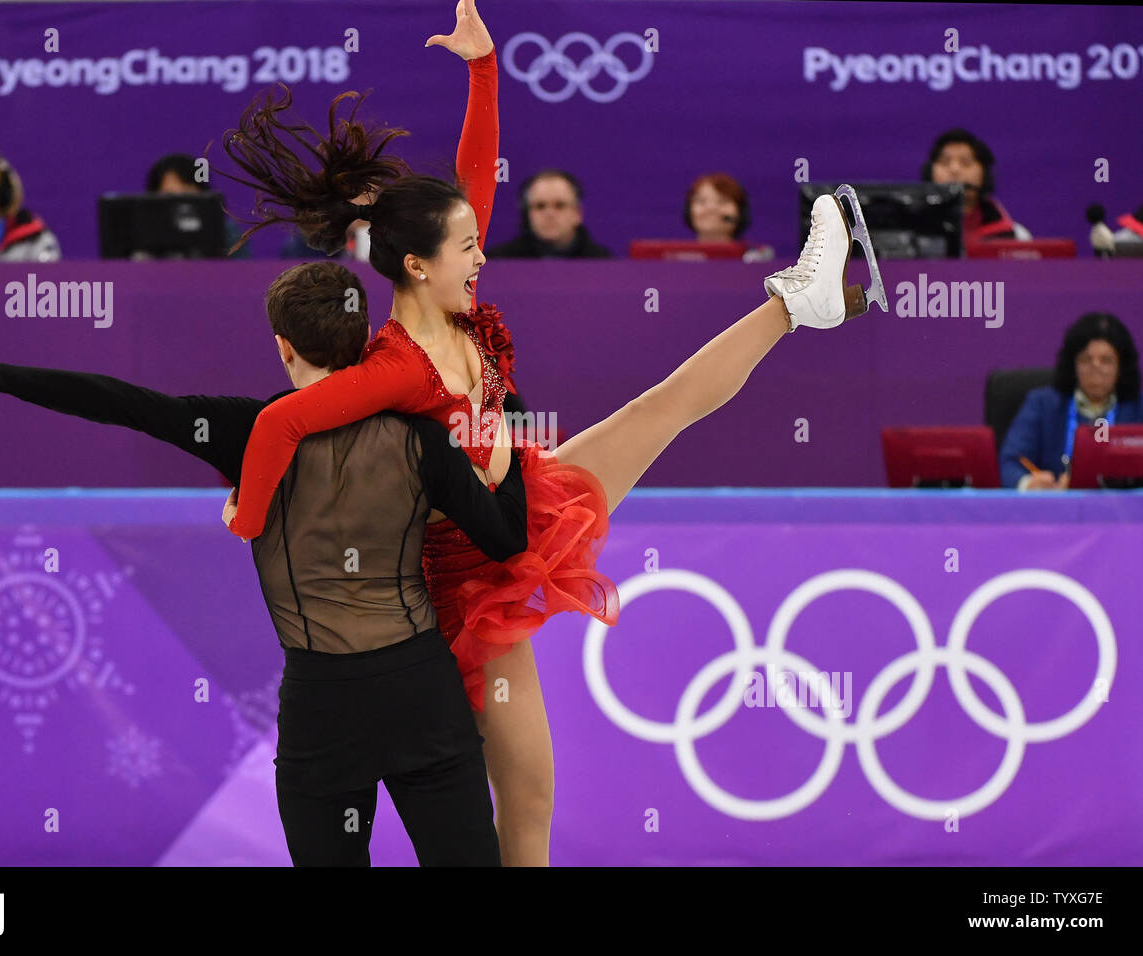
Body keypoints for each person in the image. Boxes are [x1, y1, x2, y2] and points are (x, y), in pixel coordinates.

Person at [219, 0, 884, 866]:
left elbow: (474, 175)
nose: (483, 252)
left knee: (659, 411)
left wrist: (483, 68)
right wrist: (248, 518)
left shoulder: (451, 305)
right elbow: (277, 421)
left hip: (516, 514)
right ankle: (801, 303)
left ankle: (800, 302)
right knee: (517, 806)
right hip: (451, 589)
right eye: (466, 244)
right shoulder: (393, 366)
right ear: (419, 263)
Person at [0, 258, 530, 867]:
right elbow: (505, 540)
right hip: (421, 693)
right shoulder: (421, 437)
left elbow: (120, 402)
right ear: (363, 343)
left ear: (284, 347)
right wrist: (510, 434)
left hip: (325, 708)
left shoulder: (246, 431)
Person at [999, 312, 1143, 490]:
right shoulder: (1042, 405)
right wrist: (1029, 484)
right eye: (1086, 360)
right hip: (1057, 510)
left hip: (1125, 513)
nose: (1096, 368)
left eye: (1106, 360)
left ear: (1121, 367)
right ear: (1073, 365)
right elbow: (1010, 461)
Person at [922, 127, 1030, 243]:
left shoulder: (1015, 236)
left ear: (984, 174)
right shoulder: (912, 232)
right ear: (929, 172)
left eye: (966, 162)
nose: (954, 169)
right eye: (944, 162)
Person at [484, 169, 612, 258]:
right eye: (540, 206)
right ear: (527, 214)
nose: (549, 214)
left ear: (577, 213)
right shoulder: (500, 261)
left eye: (560, 205)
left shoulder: (604, 263)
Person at [145, 152, 251, 259]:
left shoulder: (227, 233)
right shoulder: (141, 236)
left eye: (187, 194)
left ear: (203, 193)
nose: (180, 203)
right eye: (170, 195)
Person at [684, 173, 750, 243]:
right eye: (701, 201)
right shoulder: (675, 253)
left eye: (723, 201)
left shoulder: (754, 254)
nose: (711, 208)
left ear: (740, 212)